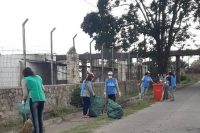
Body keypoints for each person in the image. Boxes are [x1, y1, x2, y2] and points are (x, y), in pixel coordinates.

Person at [21, 67, 46, 133]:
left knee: (35, 119)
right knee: (40, 118)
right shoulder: (38, 77)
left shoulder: (24, 80)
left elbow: (25, 93)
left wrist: (23, 101)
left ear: (24, 74)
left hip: (34, 100)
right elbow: (43, 89)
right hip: (42, 99)